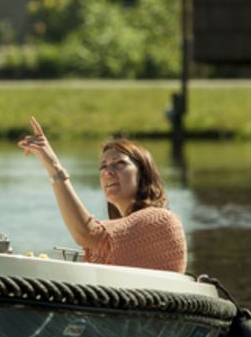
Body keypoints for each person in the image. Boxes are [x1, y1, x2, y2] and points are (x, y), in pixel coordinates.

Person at [17, 117, 187, 272]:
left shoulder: (162, 220)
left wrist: (54, 167)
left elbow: (87, 234)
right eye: (103, 166)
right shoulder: (115, 237)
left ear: (143, 174)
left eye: (119, 163)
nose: (108, 172)